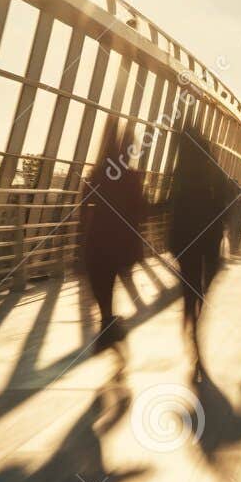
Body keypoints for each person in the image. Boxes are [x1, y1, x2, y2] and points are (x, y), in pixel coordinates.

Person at [168, 119, 231, 379]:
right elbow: (224, 201)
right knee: (200, 289)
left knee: (189, 289)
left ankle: (190, 329)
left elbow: (173, 204)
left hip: (185, 239)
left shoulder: (181, 171)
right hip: (208, 239)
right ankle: (194, 328)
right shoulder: (211, 168)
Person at [79, 128, 146, 352]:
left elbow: (84, 207)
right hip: (119, 243)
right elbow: (140, 211)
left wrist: (81, 242)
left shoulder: (97, 174)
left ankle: (108, 327)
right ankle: (109, 330)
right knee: (109, 286)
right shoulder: (132, 178)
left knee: (103, 291)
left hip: (97, 242)